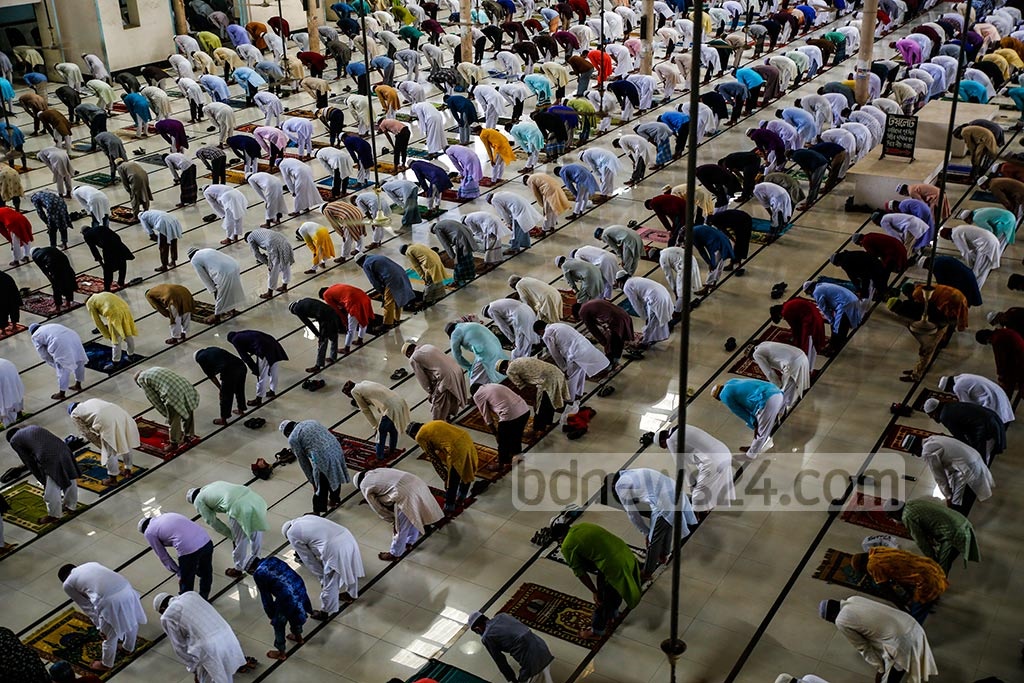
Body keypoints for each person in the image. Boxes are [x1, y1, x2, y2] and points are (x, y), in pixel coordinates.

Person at [819, 597, 936, 683]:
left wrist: (880, 669)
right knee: (899, 664)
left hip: (902, 641)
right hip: (912, 625)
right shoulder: (853, 599)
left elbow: (863, 648)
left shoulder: (841, 621)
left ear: (831, 616)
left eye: (830, 620)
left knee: (887, 679)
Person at [559, 522, 642, 640]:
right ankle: (613, 615)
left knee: (603, 599)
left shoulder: (566, 545)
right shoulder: (581, 526)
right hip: (625, 553)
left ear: (560, 538)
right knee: (614, 588)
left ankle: (596, 631)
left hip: (614, 565)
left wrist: (594, 591)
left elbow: (580, 573)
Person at [58, 562, 147, 672]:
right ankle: (128, 648)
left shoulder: (67, 584)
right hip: (127, 588)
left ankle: (106, 664)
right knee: (131, 620)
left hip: (109, 600)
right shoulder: (90, 564)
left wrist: (99, 626)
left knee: (108, 635)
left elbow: (86, 606)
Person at [612, 468, 696, 579]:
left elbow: (632, 514)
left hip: (665, 501)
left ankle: (647, 572)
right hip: (677, 491)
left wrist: (646, 533)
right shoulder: (634, 472)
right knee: (667, 522)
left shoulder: (619, 485)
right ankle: (664, 554)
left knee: (653, 539)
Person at [154, 591, 252, 683]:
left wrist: (193, 667)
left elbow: (179, 646)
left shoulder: (167, 616)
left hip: (208, 647)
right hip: (227, 634)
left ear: (162, 609)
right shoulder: (191, 594)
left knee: (212, 678)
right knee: (225, 673)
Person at [283, 515, 365, 620]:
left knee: (330, 581)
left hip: (334, 548)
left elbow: (308, 559)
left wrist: (321, 576)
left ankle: (325, 612)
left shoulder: (291, 534)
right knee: (350, 568)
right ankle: (351, 594)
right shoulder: (306, 518)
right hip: (347, 536)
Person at [353, 468, 444, 561]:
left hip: (404, 494)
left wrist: (392, 520)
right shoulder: (376, 471)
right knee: (414, 515)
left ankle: (395, 553)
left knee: (400, 527)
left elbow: (377, 508)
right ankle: (409, 542)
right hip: (418, 483)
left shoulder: (364, 485)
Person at [188, 482, 269, 578]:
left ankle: (238, 569)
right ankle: (257, 559)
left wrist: (231, 536)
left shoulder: (198, 501)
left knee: (240, 540)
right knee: (256, 528)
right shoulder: (213, 484)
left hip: (238, 506)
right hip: (253, 498)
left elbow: (212, 522)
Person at [6, 426, 80, 525]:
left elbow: (28, 461)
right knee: (69, 477)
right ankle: (71, 506)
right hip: (64, 449)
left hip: (49, 457)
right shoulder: (32, 428)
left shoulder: (14, 440)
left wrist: (41, 478)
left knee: (51, 489)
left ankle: (54, 516)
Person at [887, 498, 979, 573]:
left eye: (892, 518)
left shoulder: (906, 517)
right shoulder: (912, 502)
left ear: (895, 514)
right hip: (961, 521)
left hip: (954, 533)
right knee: (943, 555)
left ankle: (936, 590)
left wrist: (932, 560)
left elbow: (922, 543)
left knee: (940, 568)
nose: (894, 522)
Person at [247, 555, 311, 661]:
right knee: (296, 612)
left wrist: (271, 615)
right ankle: (299, 638)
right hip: (298, 585)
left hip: (286, 597)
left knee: (279, 624)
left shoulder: (259, 573)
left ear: (251, 569)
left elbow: (266, 597)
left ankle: (281, 653)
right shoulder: (272, 559)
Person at [279, 420, 350, 515]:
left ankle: (317, 511)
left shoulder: (293, 438)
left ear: (287, 433)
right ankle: (334, 500)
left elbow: (303, 461)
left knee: (321, 483)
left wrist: (312, 480)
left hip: (322, 456)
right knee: (334, 474)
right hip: (336, 448)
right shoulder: (310, 421)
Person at [408, 420, 478, 512]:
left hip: (456, 449)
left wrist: (445, 478)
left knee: (452, 480)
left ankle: (449, 506)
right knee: (466, 470)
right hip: (466, 440)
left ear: (413, 433)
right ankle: (461, 497)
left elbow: (433, 458)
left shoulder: (419, 436)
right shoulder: (432, 423)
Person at [139, 513, 214, 598]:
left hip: (189, 550)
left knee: (187, 583)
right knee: (206, 572)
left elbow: (164, 557)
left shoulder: (149, 532)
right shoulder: (166, 516)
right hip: (206, 540)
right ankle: (204, 598)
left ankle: (186, 605)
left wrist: (179, 572)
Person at [68, 399, 140, 487]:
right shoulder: (91, 401)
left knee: (110, 452)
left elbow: (86, 433)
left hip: (107, 422)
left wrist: (101, 446)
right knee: (125, 443)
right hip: (121, 414)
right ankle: (128, 470)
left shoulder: (74, 414)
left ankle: (113, 479)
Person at [912, 434, 994, 511]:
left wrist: (948, 496)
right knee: (964, 491)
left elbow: (939, 477)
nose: (916, 455)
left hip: (966, 466)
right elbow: (947, 465)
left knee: (956, 503)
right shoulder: (934, 438)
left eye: (914, 452)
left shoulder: (927, 452)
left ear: (916, 448)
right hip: (974, 456)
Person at [467, 611, 554, 683]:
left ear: (477, 629)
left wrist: (511, 679)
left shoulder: (487, 637)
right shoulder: (503, 616)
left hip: (531, 659)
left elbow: (500, 661)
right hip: (541, 646)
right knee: (544, 676)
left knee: (529, 678)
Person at [536, 320, 610, 405]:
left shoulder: (547, 334)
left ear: (540, 331)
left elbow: (555, 353)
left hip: (575, 353)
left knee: (572, 375)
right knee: (580, 370)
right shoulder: (557, 325)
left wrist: (563, 367)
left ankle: (570, 398)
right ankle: (579, 393)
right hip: (584, 346)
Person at [712, 379, 784, 457]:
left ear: (718, 398)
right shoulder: (732, 382)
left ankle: (750, 455)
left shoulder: (724, 395)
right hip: (776, 392)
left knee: (761, 432)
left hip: (767, 401)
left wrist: (754, 423)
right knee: (767, 421)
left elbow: (740, 412)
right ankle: (778, 432)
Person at [921, 397, 1005, 464]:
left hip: (985, 426)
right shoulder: (949, 405)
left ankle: (982, 473)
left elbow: (960, 437)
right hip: (992, 417)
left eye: (931, 416)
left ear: (934, 413)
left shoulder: (944, 416)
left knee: (978, 456)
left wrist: (967, 451)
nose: (932, 418)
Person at [134, 367, 200, 452]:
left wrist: (166, 413)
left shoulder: (141, 380)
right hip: (184, 385)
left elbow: (154, 399)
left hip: (172, 392)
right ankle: (189, 435)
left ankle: (174, 443)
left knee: (174, 418)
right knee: (188, 409)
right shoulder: (153, 369)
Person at [343, 379, 410, 461]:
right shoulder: (365, 382)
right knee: (392, 429)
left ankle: (379, 457)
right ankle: (392, 450)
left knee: (380, 432)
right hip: (399, 400)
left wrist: (375, 426)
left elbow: (365, 410)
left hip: (390, 407)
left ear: (349, 393)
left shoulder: (354, 391)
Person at [472, 382, 530, 466]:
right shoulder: (492, 385)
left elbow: (486, 415)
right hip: (524, 409)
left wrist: (495, 433)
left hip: (510, 414)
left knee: (503, 441)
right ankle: (517, 454)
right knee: (516, 434)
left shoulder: (477, 395)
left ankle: (501, 462)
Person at [227, 330, 287, 407]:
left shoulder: (235, 340)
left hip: (263, 348)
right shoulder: (242, 333)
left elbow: (245, 357)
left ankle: (258, 399)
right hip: (272, 342)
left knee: (262, 375)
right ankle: (272, 391)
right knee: (273, 370)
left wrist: (255, 369)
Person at [358, 254, 417, 328]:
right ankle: (397, 319)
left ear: (359, 263)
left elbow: (373, 281)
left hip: (392, 279)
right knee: (398, 297)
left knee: (388, 301)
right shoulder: (375, 257)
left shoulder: (366, 264)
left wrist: (381, 291)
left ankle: (387, 323)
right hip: (401, 273)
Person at [30, 322, 86, 400]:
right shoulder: (49, 326)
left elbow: (43, 354)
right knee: (79, 360)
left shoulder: (35, 336)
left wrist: (53, 363)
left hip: (59, 342)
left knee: (62, 367)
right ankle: (78, 385)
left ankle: (61, 394)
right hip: (73, 336)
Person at [616, 272, 674, 347]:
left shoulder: (626, 286)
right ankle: (653, 336)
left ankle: (644, 342)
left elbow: (636, 304)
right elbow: (642, 299)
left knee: (652, 321)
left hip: (656, 298)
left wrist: (644, 317)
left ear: (620, 281)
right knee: (657, 318)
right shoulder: (633, 280)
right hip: (664, 293)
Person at [189, 247, 246, 322]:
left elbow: (203, 276)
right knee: (231, 289)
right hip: (234, 265)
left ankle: (217, 316)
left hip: (223, 271)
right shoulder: (207, 250)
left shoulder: (194, 260)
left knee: (221, 293)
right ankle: (232, 310)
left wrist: (212, 288)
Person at [86, 292, 138, 370]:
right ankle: (131, 355)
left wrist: (107, 334)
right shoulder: (101, 294)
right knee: (128, 334)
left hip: (114, 314)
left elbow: (97, 321)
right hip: (125, 308)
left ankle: (115, 363)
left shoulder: (89, 303)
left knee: (116, 340)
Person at [750, 341, 811, 407]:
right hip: (803, 356)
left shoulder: (756, 354)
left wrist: (778, 385)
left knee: (782, 394)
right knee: (791, 384)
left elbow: (769, 372)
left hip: (793, 364)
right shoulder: (764, 343)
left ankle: (780, 410)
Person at [449, 321, 509, 386]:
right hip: (496, 346)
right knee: (502, 370)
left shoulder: (455, 333)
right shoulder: (470, 324)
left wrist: (468, 367)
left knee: (475, 383)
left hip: (485, 354)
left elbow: (456, 355)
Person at [938, 373, 1014, 424]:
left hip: (991, 398)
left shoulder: (957, 387)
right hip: (997, 391)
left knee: (982, 421)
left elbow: (968, 406)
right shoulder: (962, 376)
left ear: (949, 387)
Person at [320, 283, 374, 353]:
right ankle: (360, 340)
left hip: (354, 303)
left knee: (351, 328)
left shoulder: (325, 295)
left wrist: (344, 320)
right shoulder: (335, 286)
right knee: (363, 320)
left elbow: (336, 310)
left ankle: (346, 348)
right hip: (364, 297)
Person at [82, 221, 134, 292]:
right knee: (122, 263)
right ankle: (121, 282)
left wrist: (100, 261)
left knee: (108, 270)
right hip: (118, 243)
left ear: (83, 232)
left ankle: (107, 288)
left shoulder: (87, 235)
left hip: (108, 247)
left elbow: (93, 249)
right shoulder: (100, 227)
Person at [245, 228, 294, 300]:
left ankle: (269, 293)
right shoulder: (259, 230)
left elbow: (256, 254)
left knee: (272, 270)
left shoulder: (250, 237)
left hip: (273, 245)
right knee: (286, 265)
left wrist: (266, 262)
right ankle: (284, 287)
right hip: (285, 242)